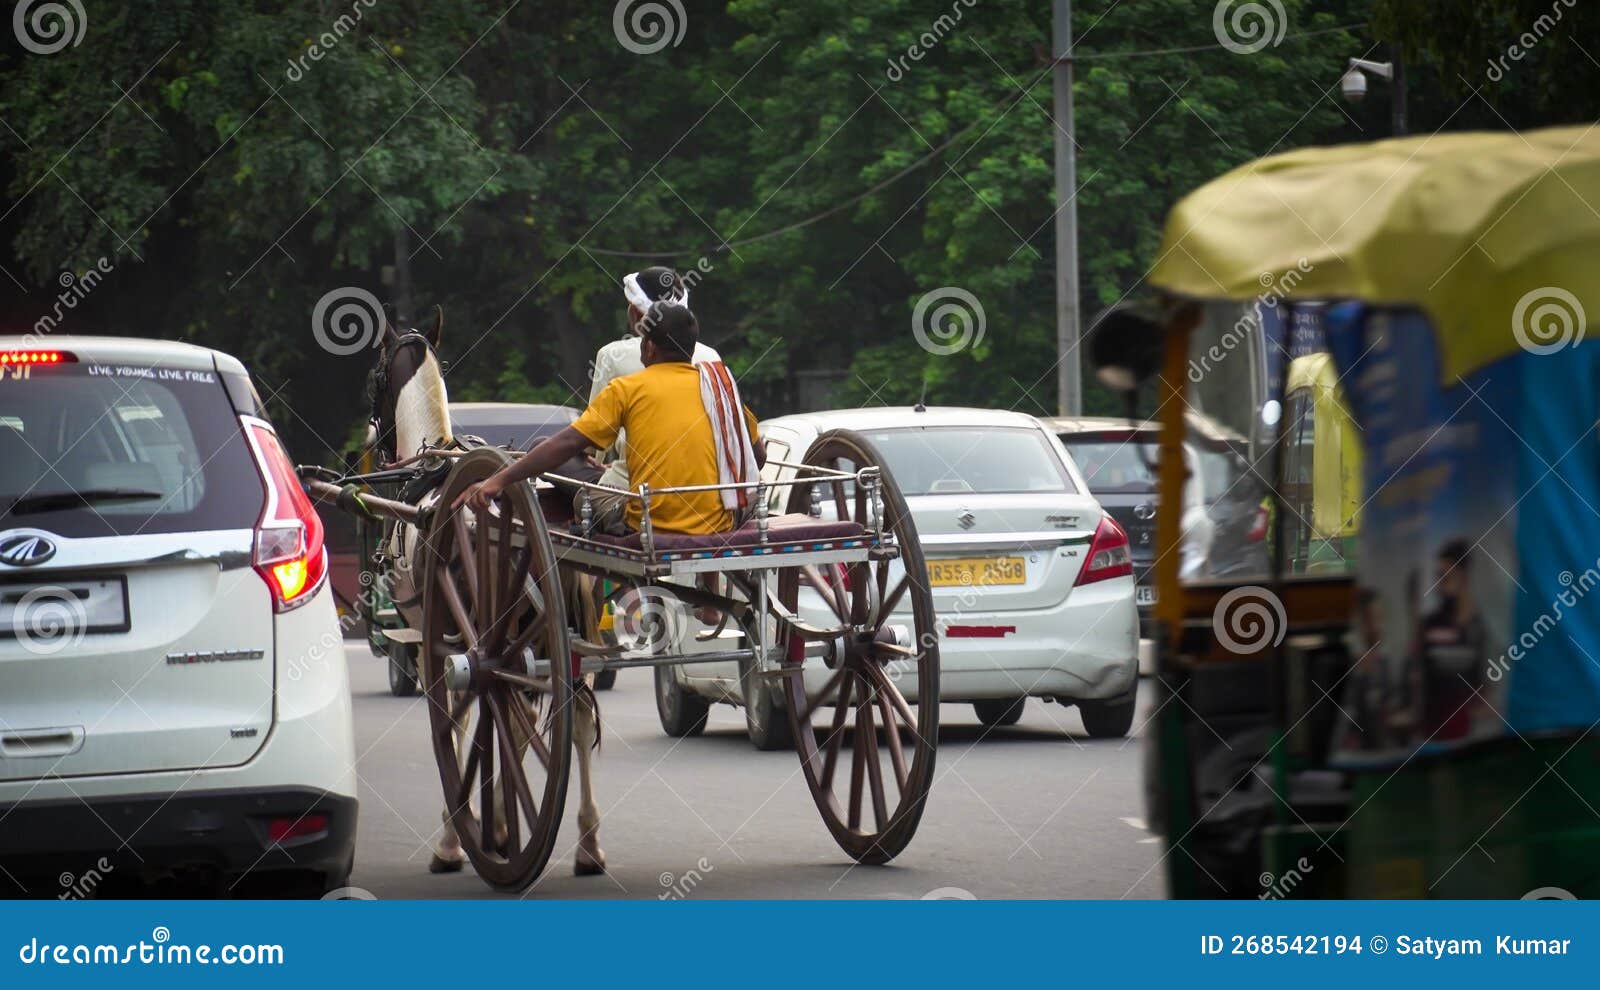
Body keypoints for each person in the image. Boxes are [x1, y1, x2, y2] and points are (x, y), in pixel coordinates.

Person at [457, 302, 763, 537]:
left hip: (648, 523)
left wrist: (498, 479)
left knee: (571, 478)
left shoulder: (628, 388)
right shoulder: (721, 386)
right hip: (720, 521)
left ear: (649, 346)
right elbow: (757, 457)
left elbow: (567, 443)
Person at [588, 267, 722, 495]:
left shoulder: (613, 355)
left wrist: (595, 463)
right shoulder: (712, 357)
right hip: (704, 487)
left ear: (636, 314)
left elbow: (593, 442)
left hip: (634, 487)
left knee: (554, 453)